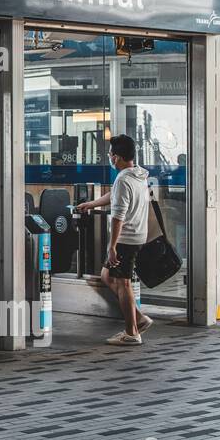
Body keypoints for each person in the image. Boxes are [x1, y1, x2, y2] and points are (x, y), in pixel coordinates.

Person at [77, 134, 153, 346]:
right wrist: (90, 204)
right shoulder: (138, 175)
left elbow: (118, 215)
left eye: (111, 154)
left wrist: (112, 247)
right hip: (138, 234)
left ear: (117, 157)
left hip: (126, 238)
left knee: (123, 282)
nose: (110, 158)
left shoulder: (123, 179)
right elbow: (114, 196)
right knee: (107, 275)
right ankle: (138, 318)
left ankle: (131, 332)